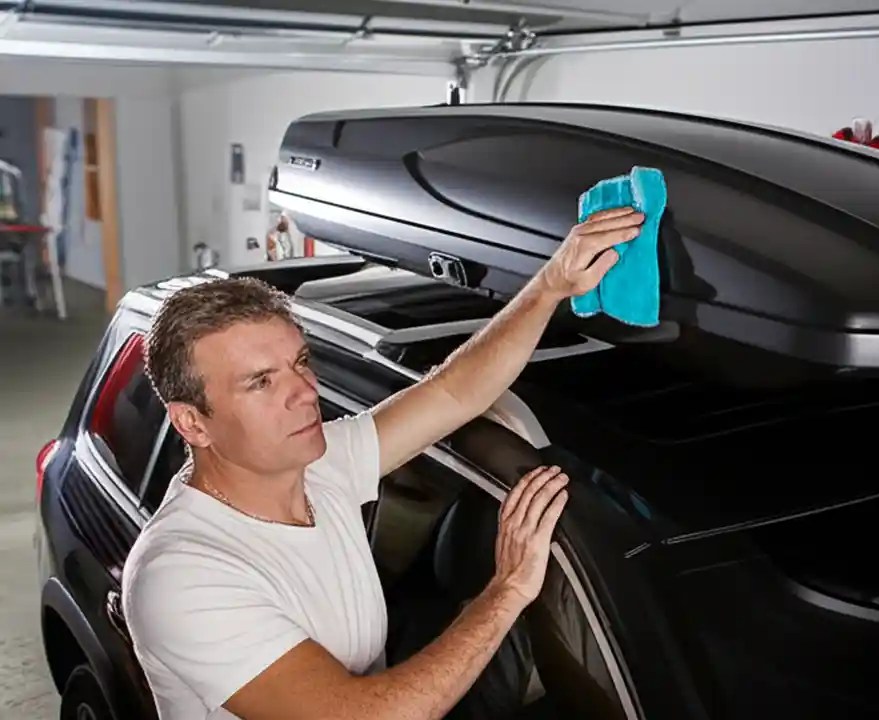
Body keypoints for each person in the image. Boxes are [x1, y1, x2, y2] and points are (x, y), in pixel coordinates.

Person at [121, 207, 646, 719]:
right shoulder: (182, 575)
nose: (305, 393)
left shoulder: (317, 462)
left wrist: (552, 283)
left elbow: (452, 392)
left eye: (300, 363)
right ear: (192, 423)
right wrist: (508, 589)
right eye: (261, 382)